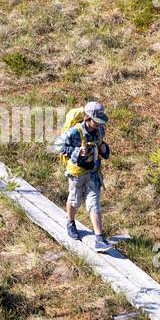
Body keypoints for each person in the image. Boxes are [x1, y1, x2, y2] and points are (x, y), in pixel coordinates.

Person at [54, 101, 112, 251]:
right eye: (96, 121)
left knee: (94, 203)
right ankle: (70, 222)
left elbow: (101, 145)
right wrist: (77, 151)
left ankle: (99, 238)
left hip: (93, 172)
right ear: (88, 118)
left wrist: (103, 147)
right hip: (77, 173)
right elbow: (58, 146)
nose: (99, 124)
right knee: (74, 201)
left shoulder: (100, 130)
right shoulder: (75, 132)